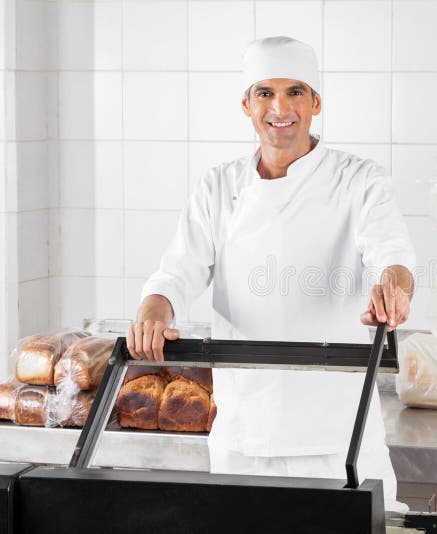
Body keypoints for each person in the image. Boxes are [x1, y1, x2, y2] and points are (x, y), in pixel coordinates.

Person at [126, 36, 415, 512]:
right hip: (243, 437)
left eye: (295, 92)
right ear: (246, 104)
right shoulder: (219, 186)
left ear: (316, 101)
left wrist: (394, 286)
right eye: (265, 93)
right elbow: (177, 271)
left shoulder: (360, 180)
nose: (280, 108)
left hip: (338, 438)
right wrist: (154, 307)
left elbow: (392, 254)